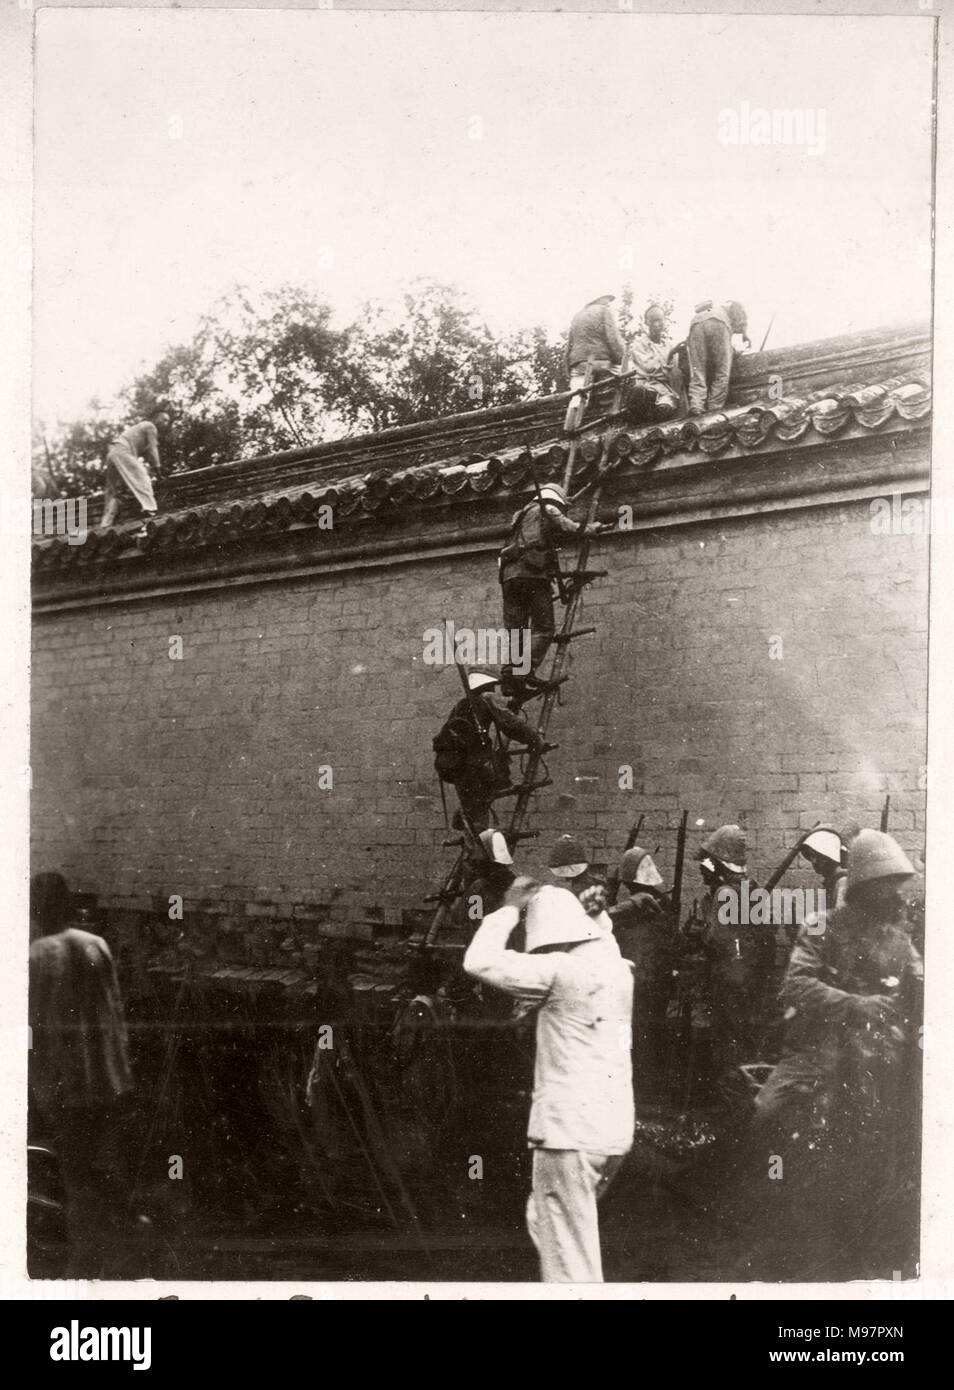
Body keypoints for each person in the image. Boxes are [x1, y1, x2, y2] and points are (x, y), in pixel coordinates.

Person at [749, 830, 923, 1278]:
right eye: (888, 883)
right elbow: (797, 984)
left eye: (898, 883)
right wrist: (857, 1004)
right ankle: (763, 1219)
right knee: (767, 1113)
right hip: (818, 1050)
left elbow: (919, 985)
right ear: (865, 885)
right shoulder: (822, 923)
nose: (896, 893)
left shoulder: (897, 940)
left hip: (878, 1057)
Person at [463, 850, 635, 1283]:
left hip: (567, 1135)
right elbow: (604, 940)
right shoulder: (618, 971)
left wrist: (506, 910)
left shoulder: (558, 971)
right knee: (548, 1220)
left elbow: (478, 962)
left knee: (570, 1259)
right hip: (612, 1133)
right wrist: (593, 915)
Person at [28, 872, 135, 1277]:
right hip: (105, 1081)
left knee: (75, 1172)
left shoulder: (36, 955)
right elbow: (115, 1015)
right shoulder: (96, 945)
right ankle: (110, 1251)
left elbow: (30, 1030)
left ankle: (84, 1263)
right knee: (99, 1165)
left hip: (62, 1087)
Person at [498, 482, 602, 691]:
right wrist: (593, 528)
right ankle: (524, 671)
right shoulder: (548, 510)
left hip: (509, 577)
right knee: (544, 628)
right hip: (532, 575)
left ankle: (511, 676)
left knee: (517, 629)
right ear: (555, 500)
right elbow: (570, 528)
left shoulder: (519, 516)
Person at [694, 824, 775, 1087]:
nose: (704, 868)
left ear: (719, 863)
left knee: (728, 1050)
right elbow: (767, 937)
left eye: (708, 863)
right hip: (753, 984)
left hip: (727, 983)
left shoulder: (724, 894)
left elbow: (715, 939)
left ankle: (732, 1107)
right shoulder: (754, 890)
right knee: (748, 1047)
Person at [432, 671, 544, 832]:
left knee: (477, 805)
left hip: (457, 770)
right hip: (474, 769)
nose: (494, 690)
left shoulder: (460, 706)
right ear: (486, 686)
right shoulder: (486, 699)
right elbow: (511, 725)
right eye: (492, 686)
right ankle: (479, 849)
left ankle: (466, 816)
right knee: (480, 822)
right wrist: (535, 740)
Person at [609, 846, 675, 1100]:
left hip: (638, 980)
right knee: (649, 1033)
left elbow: (605, 919)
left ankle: (639, 1090)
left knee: (634, 1036)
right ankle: (649, 1088)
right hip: (655, 978)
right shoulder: (661, 900)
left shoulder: (637, 903)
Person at [563, 295, 626, 431]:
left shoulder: (577, 316)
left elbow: (568, 346)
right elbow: (613, 339)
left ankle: (568, 429)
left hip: (578, 364)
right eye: (608, 300)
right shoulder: (604, 311)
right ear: (600, 298)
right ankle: (619, 418)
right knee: (627, 374)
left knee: (577, 396)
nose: (609, 303)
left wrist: (569, 368)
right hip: (599, 362)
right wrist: (621, 358)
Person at [100, 411, 170, 530]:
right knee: (142, 476)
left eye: (167, 421)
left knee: (115, 490)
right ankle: (150, 508)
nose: (166, 423)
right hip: (122, 451)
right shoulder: (150, 426)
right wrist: (158, 470)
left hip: (112, 453)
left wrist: (155, 469)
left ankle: (106, 523)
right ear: (156, 419)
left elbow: (149, 454)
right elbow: (153, 450)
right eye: (164, 420)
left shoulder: (141, 429)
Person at [686, 300, 750, 416]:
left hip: (696, 323)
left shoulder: (717, 307)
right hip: (719, 323)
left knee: (697, 370)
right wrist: (745, 335)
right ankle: (714, 408)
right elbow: (722, 354)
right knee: (723, 371)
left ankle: (696, 405)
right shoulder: (731, 312)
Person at [625, 306, 681, 423]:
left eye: (660, 320)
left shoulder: (669, 345)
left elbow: (675, 371)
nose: (656, 324)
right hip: (647, 386)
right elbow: (650, 368)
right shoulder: (639, 345)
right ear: (647, 322)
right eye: (653, 320)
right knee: (640, 391)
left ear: (664, 321)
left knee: (666, 407)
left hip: (666, 389)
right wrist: (668, 368)